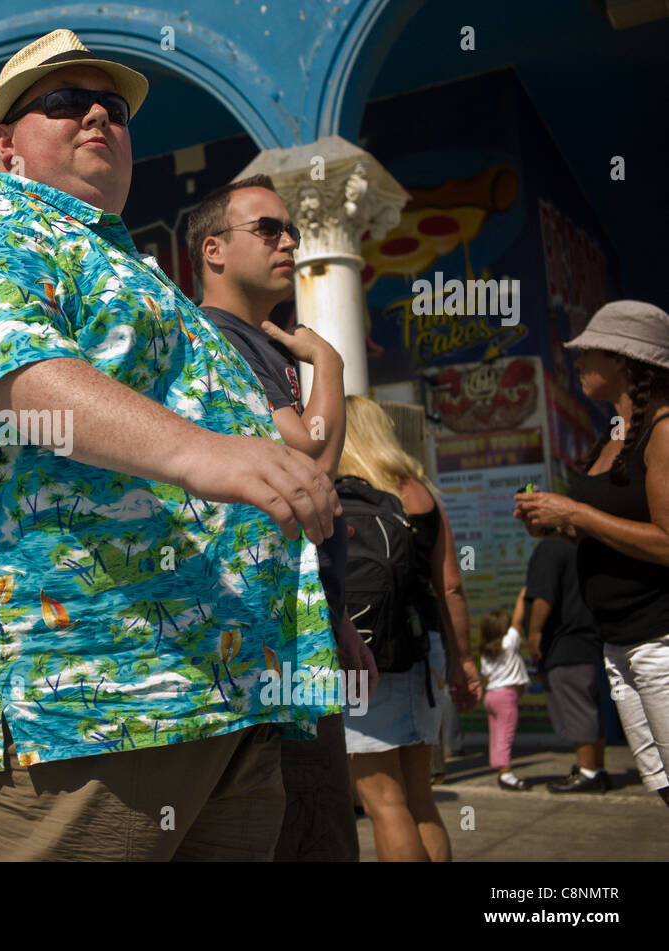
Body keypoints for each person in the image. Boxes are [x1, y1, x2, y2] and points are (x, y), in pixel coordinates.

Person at [0, 28, 346, 861]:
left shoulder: (147, 281)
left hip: (217, 702)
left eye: (111, 107)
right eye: (60, 101)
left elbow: (265, 450)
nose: (95, 114)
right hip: (61, 715)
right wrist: (205, 453)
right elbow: (12, 375)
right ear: (6, 143)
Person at [187, 176, 375, 861]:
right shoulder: (217, 336)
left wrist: (337, 614)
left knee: (317, 819)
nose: (289, 240)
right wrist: (329, 359)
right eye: (268, 229)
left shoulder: (255, 341)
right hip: (268, 645)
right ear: (214, 249)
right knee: (311, 829)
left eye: (290, 228)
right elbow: (311, 467)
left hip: (296, 628)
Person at [515, 300, 669, 807]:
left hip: (660, 643)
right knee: (662, 788)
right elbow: (616, 533)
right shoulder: (615, 434)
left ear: (624, 360)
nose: (576, 363)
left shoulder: (664, 430)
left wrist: (577, 514)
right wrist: (556, 525)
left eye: (589, 354)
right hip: (619, 645)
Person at [338, 395, 482, 861]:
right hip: (423, 653)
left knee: (384, 802)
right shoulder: (418, 491)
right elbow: (452, 587)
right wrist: (463, 661)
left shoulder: (337, 495)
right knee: (420, 798)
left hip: (361, 656)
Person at [524, 538, 609, 793]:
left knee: (577, 708)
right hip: (587, 641)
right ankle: (597, 769)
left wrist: (534, 632)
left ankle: (587, 772)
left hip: (565, 643)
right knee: (589, 708)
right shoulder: (579, 547)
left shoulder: (550, 548)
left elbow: (543, 596)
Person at [478, 609, 529, 790]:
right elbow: (518, 622)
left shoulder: (485, 652)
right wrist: (524, 594)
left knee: (496, 735)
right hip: (506, 698)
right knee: (505, 736)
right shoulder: (509, 643)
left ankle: (498, 765)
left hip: (491, 696)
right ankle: (505, 774)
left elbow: (485, 675)